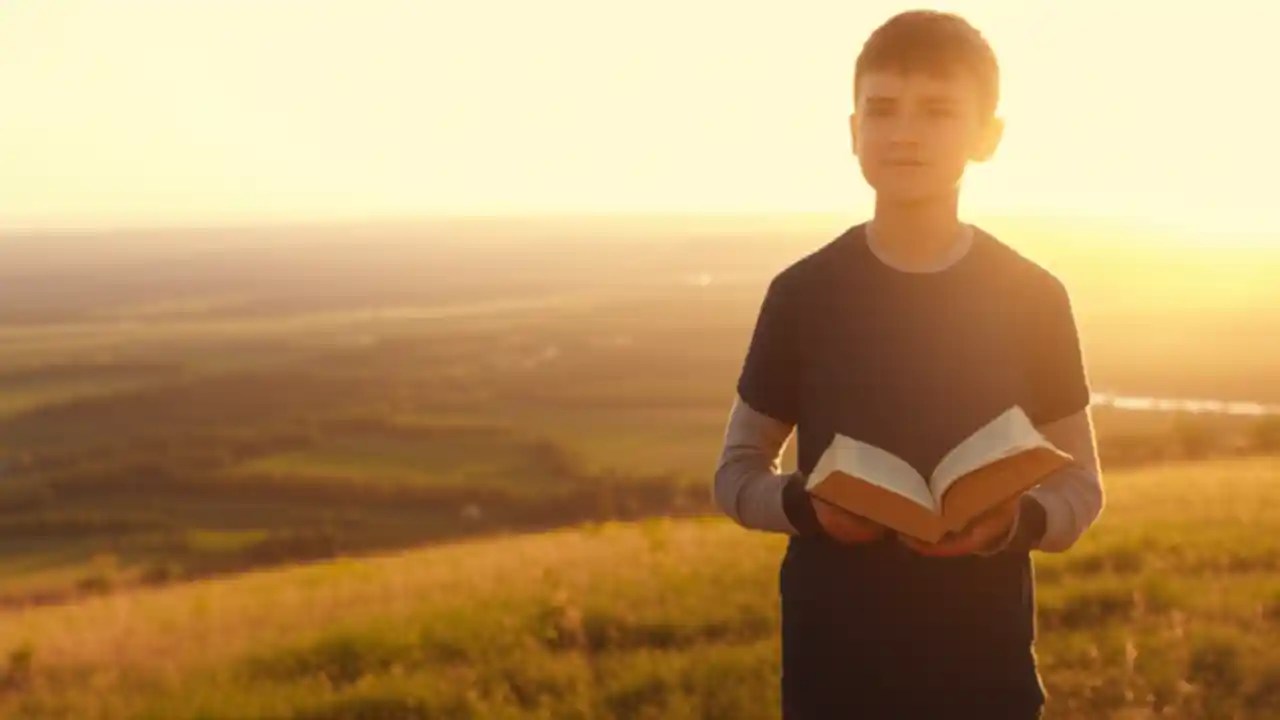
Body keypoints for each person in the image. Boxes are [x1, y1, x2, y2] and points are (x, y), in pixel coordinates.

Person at [713, 10, 1105, 719]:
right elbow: (736, 472)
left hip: (986, 670)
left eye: (937, 111)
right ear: (853, 130)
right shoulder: (802, 294)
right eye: (882, 109)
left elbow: (1082, 487)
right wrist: (808, 508)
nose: (903, 132)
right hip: (833, 671)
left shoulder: (1034, 297)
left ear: (987, 136)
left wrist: (1015, 523)